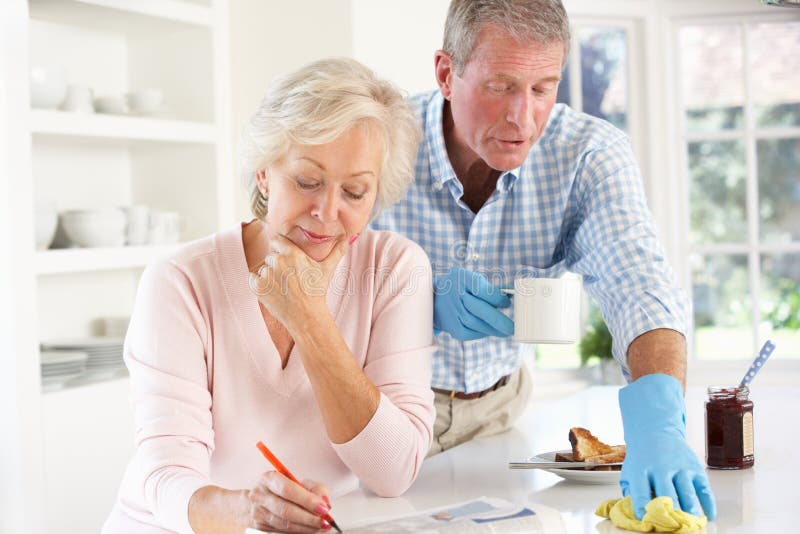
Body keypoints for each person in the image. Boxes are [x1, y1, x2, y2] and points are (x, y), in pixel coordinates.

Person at [371, 0, 717, 522]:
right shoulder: (376, 141)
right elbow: (309, 278)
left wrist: (658, 420)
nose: (523, 117)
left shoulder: (588, 155)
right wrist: (414, 304)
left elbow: (638, 283)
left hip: (499, 412)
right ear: (446, 74)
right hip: (378, 407)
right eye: (500, 86)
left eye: (542, 88)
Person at [102, 57, 434, 534]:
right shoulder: (179, 281)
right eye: (307, 181)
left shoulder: (395, 269)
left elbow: (393, 472)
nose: (327, 211)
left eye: (355, 192)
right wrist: (250, 511)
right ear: (263, 172)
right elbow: (166, 479)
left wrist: (310, 319)